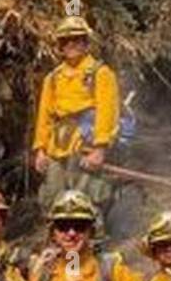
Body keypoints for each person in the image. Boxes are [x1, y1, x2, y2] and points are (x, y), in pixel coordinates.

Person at [32, 16, 120, 223]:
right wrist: (40, 150)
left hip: (85, 145)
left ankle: (94, 246)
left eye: (76, 39)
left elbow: (108, 113)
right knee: (52, 198)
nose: (70, 44)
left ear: (86, 43)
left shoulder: (100, 73)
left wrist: (100, 149)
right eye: (65, 40)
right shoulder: (52, 78)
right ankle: (58, 246)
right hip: (57, 148)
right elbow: (44, 116)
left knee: (86, 199)